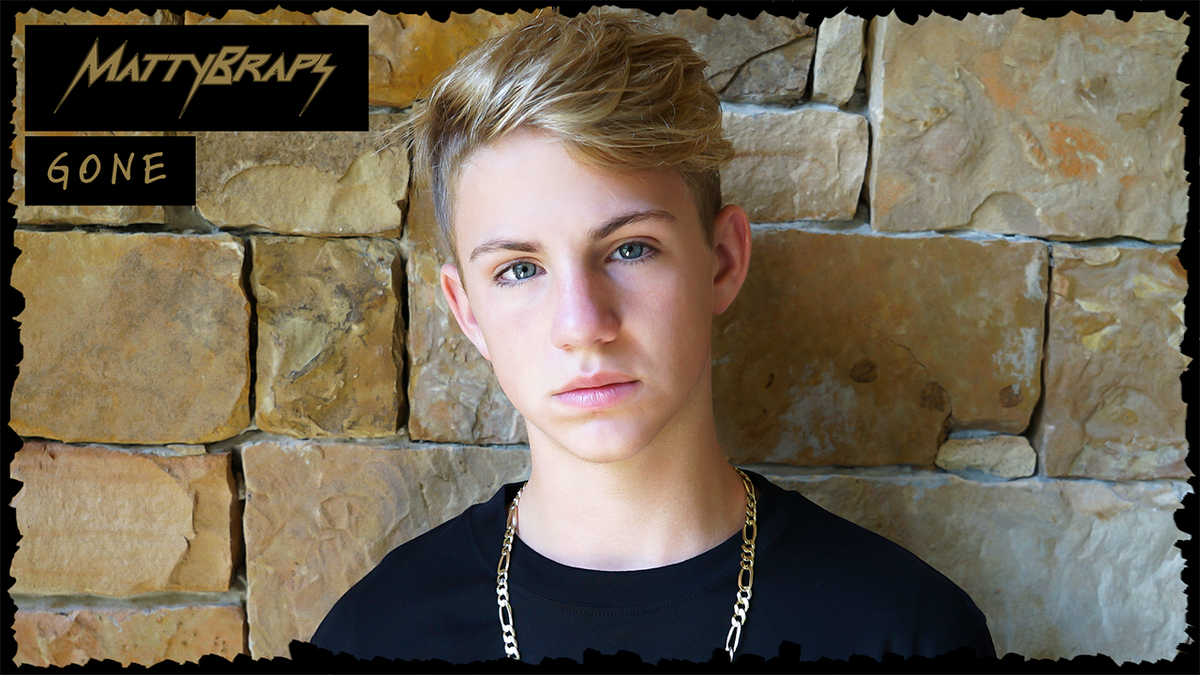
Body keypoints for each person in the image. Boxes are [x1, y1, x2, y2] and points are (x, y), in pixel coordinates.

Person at [309, 11, 995, 664]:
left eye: (630, 249)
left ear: (721, 261)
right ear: (467, 312)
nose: (582, 325)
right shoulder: (372, 637)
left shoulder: (908, 629)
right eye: (519, 269)